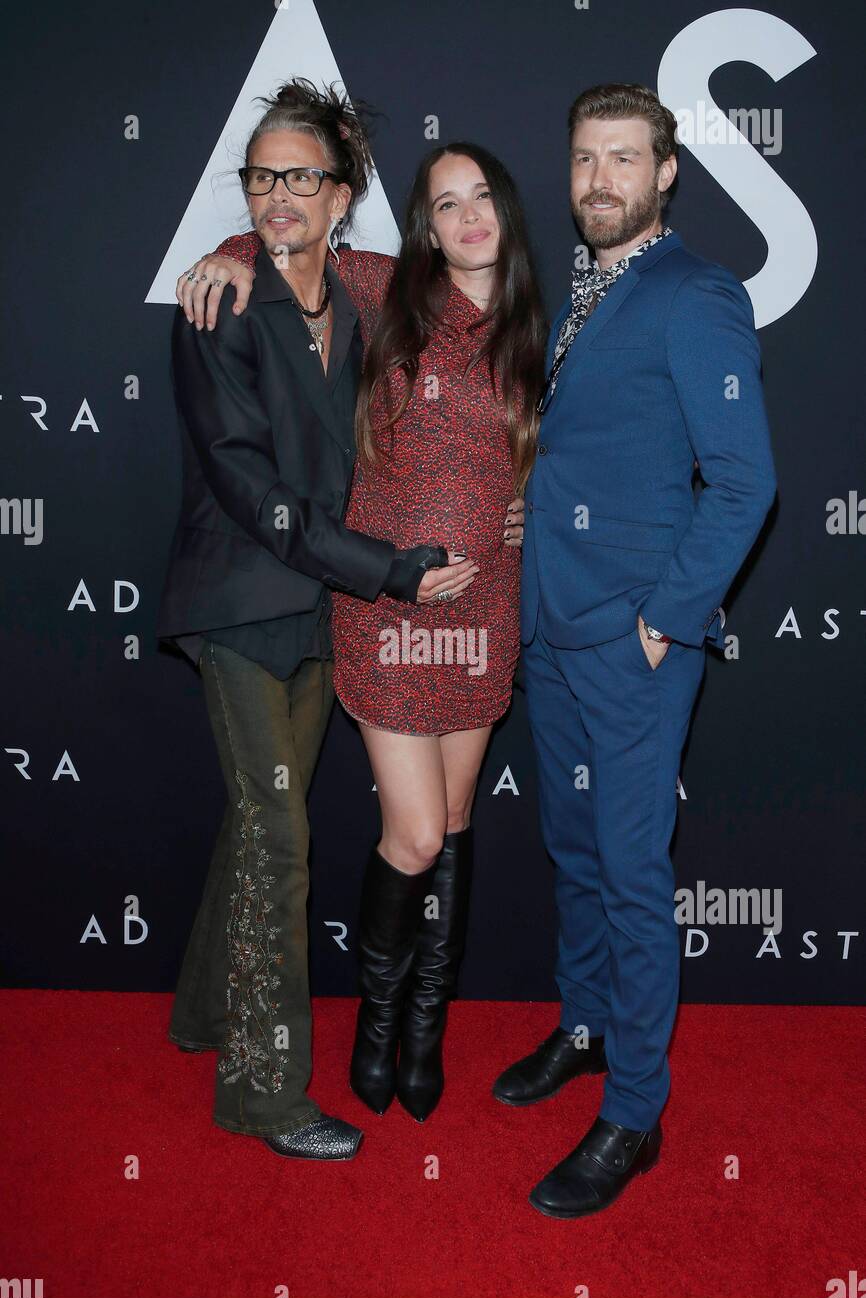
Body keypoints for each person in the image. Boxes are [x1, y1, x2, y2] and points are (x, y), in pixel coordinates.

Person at [178, 140, 545, 1122]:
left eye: (480, 199)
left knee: (455, 825)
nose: (465, 217)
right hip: (387, 610)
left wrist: (526, 502)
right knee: (414, 832)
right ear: (420, 224)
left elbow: (556, 453)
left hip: (483, 612)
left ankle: (421, 1030)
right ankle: (376, 1022)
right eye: (443, 202)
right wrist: (228, 247)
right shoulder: (390, 291)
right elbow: (294, 242)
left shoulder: (531, 329)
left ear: (504, 214)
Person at [497, 83, 777, 1217]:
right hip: (552, 625)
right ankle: (584, 1024)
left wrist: (663, 619)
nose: (598, 179)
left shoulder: (695, 294)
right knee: (573, 850)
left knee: (628, 870)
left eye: (623, 159)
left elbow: (745, 480)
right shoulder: (574, 288)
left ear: (665, 172)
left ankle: (634, 1113)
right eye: (582, 159)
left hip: (631, 640)